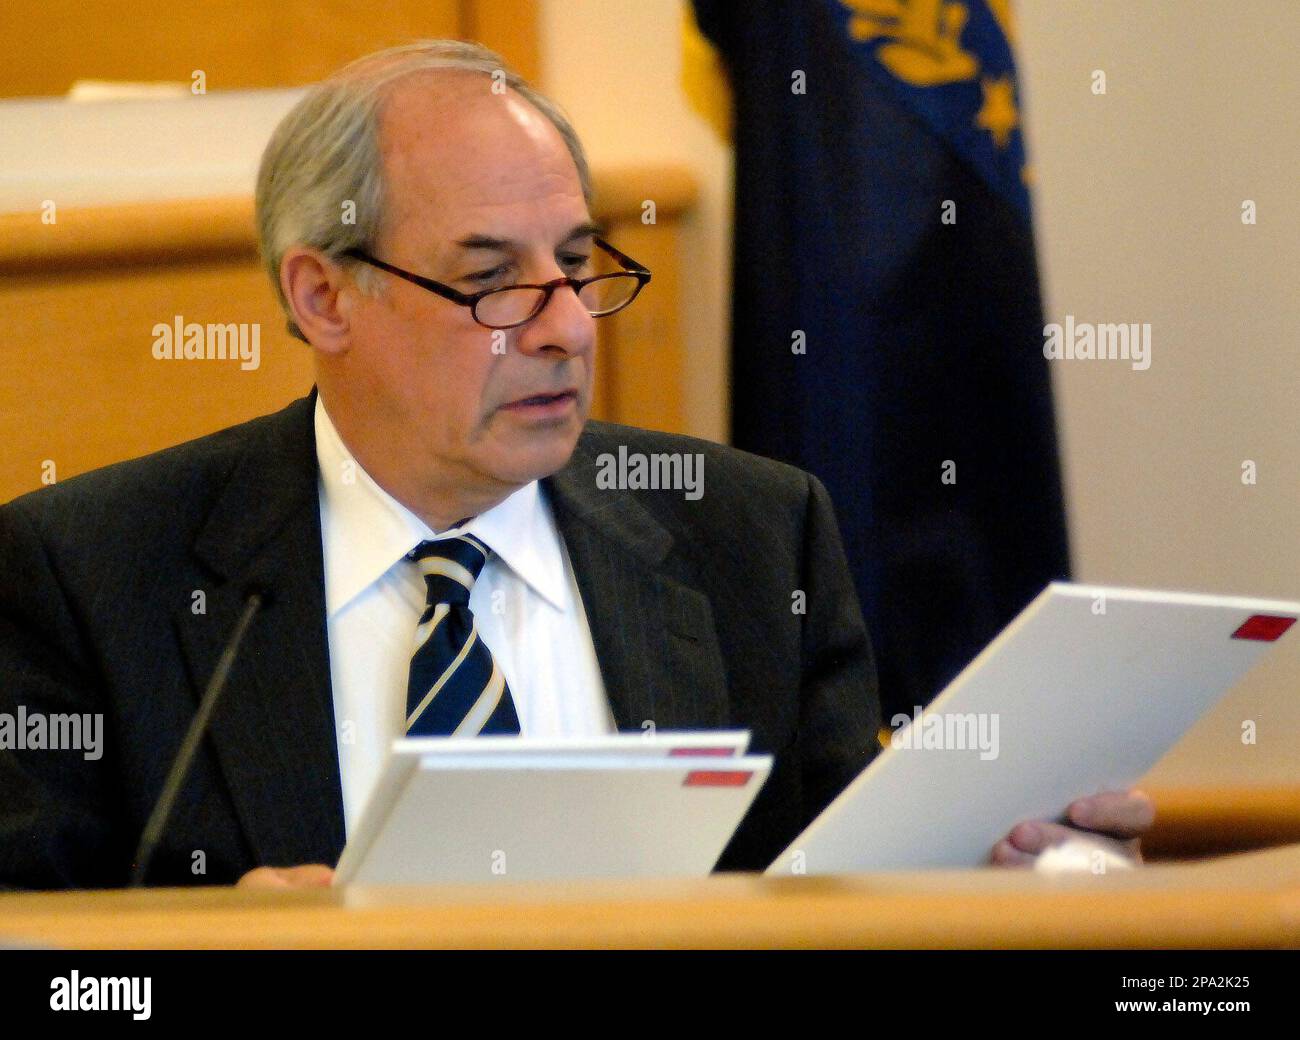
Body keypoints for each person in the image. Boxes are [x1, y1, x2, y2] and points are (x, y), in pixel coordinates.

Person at [0, 40, 1151, 890]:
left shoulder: (752, 535)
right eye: (493, 276)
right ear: (322, 296)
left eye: (576, 258)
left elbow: (845, 896)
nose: (566, 327)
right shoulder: (91, 572)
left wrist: (997, 865)